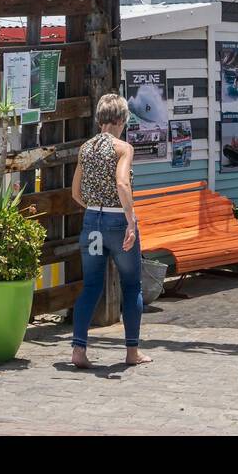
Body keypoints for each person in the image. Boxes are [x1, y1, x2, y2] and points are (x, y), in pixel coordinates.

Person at [69, 92, 151, 368]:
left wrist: (94, 208)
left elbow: (75, 191)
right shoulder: (122, 148)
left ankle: (78, 350)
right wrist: (130, 220)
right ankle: (132, 352)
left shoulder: (86, 148)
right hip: (117, 222)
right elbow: (121, 184)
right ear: (120, 120)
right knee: (131, 285)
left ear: (99, 118)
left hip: (92, 222)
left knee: (91, 285)